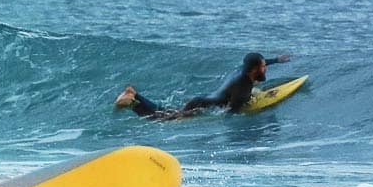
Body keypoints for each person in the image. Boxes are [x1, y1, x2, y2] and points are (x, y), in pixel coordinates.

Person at [114, 52, 292, 119]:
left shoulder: (243, 71)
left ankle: (135, 95)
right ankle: (132, 102)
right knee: (161, 118)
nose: (265, 68)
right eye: (263, 66)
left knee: (166, 112)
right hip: (201, 106)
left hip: (202, 100)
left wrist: (277, 60)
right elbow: (230, 112)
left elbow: (257, 63)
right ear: (254, 69)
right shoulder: (243, 87)